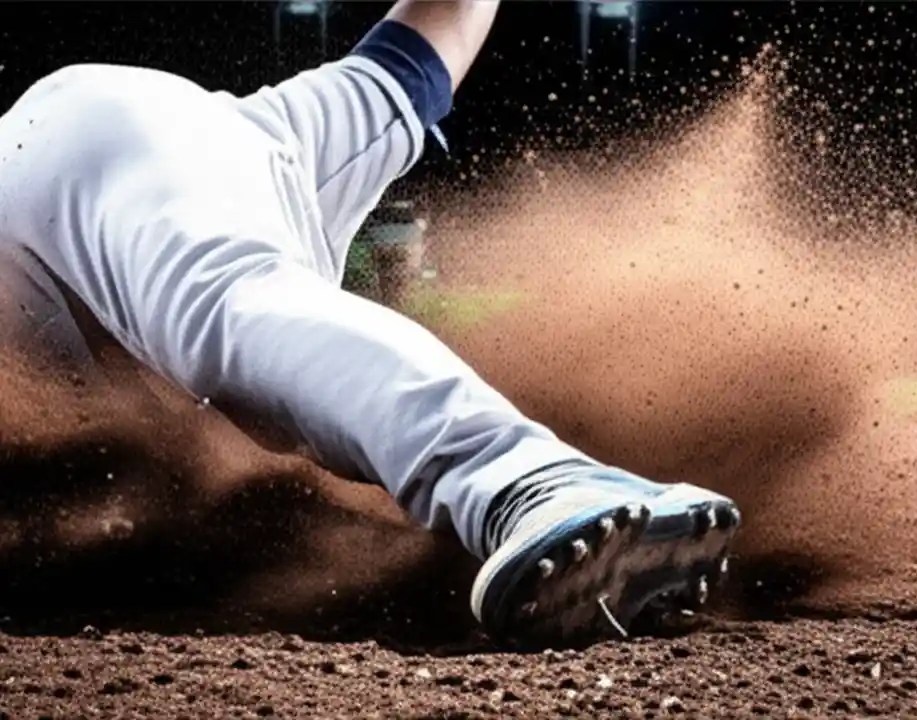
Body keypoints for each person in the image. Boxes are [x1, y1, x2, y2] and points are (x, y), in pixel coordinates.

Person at [0, 0, 739, 646]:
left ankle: (530, 482)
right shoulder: (280, 156)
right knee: (229, 336)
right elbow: (420, 48)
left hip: (72, 163)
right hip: (188, 132)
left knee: (222, 316)